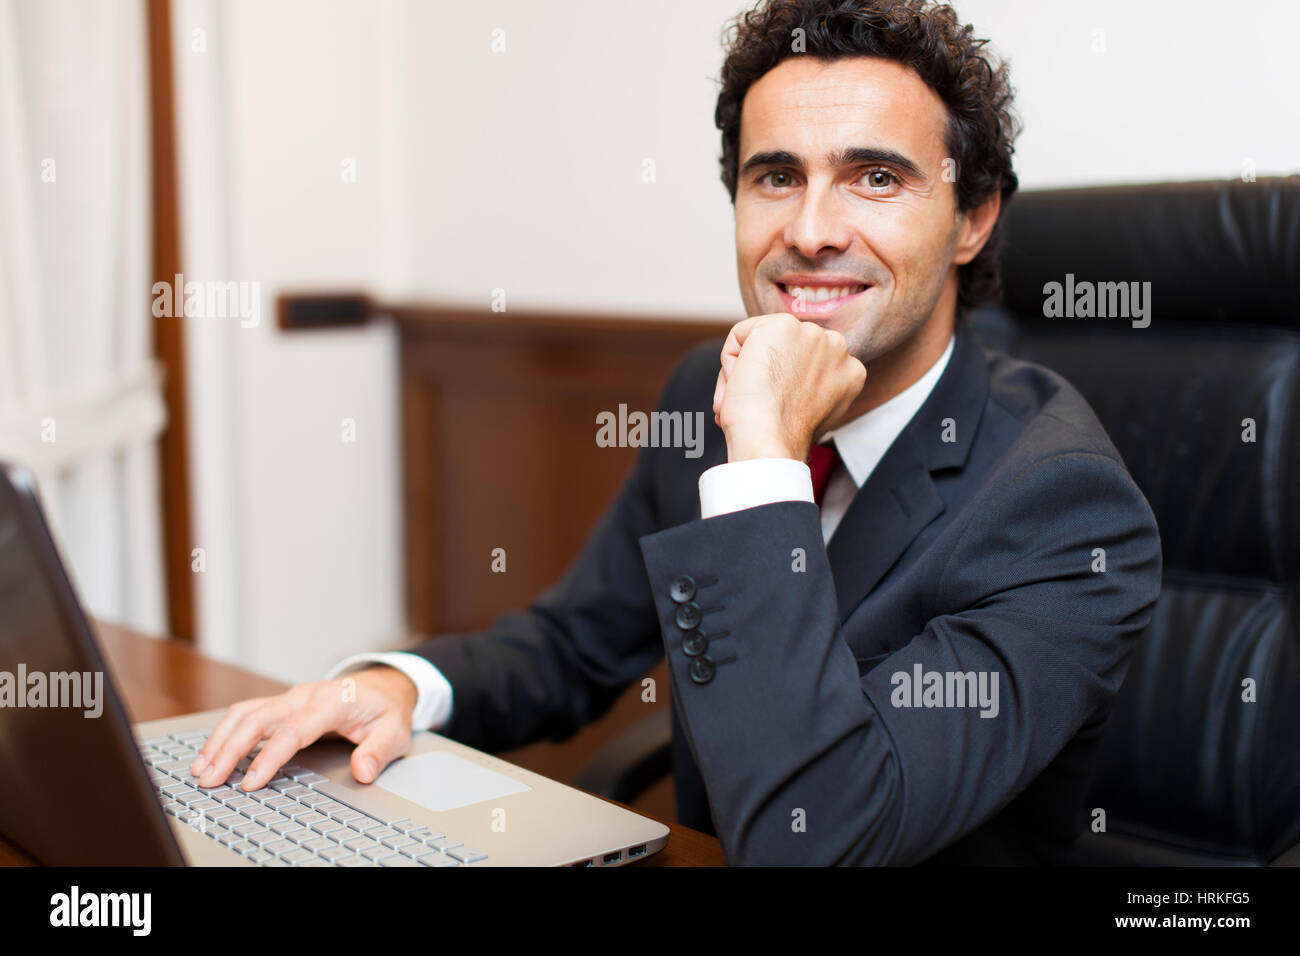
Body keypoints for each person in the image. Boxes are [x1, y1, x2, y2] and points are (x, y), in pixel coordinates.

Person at [190, 0, 1162, 865]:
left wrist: (765, 460)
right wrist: (401, 684)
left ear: (971, 218)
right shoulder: (713, 386)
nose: (812, 229)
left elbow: (820, 832)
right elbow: (575, 642)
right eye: (774, 176)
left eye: (873, 176)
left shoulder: (1061, 507)